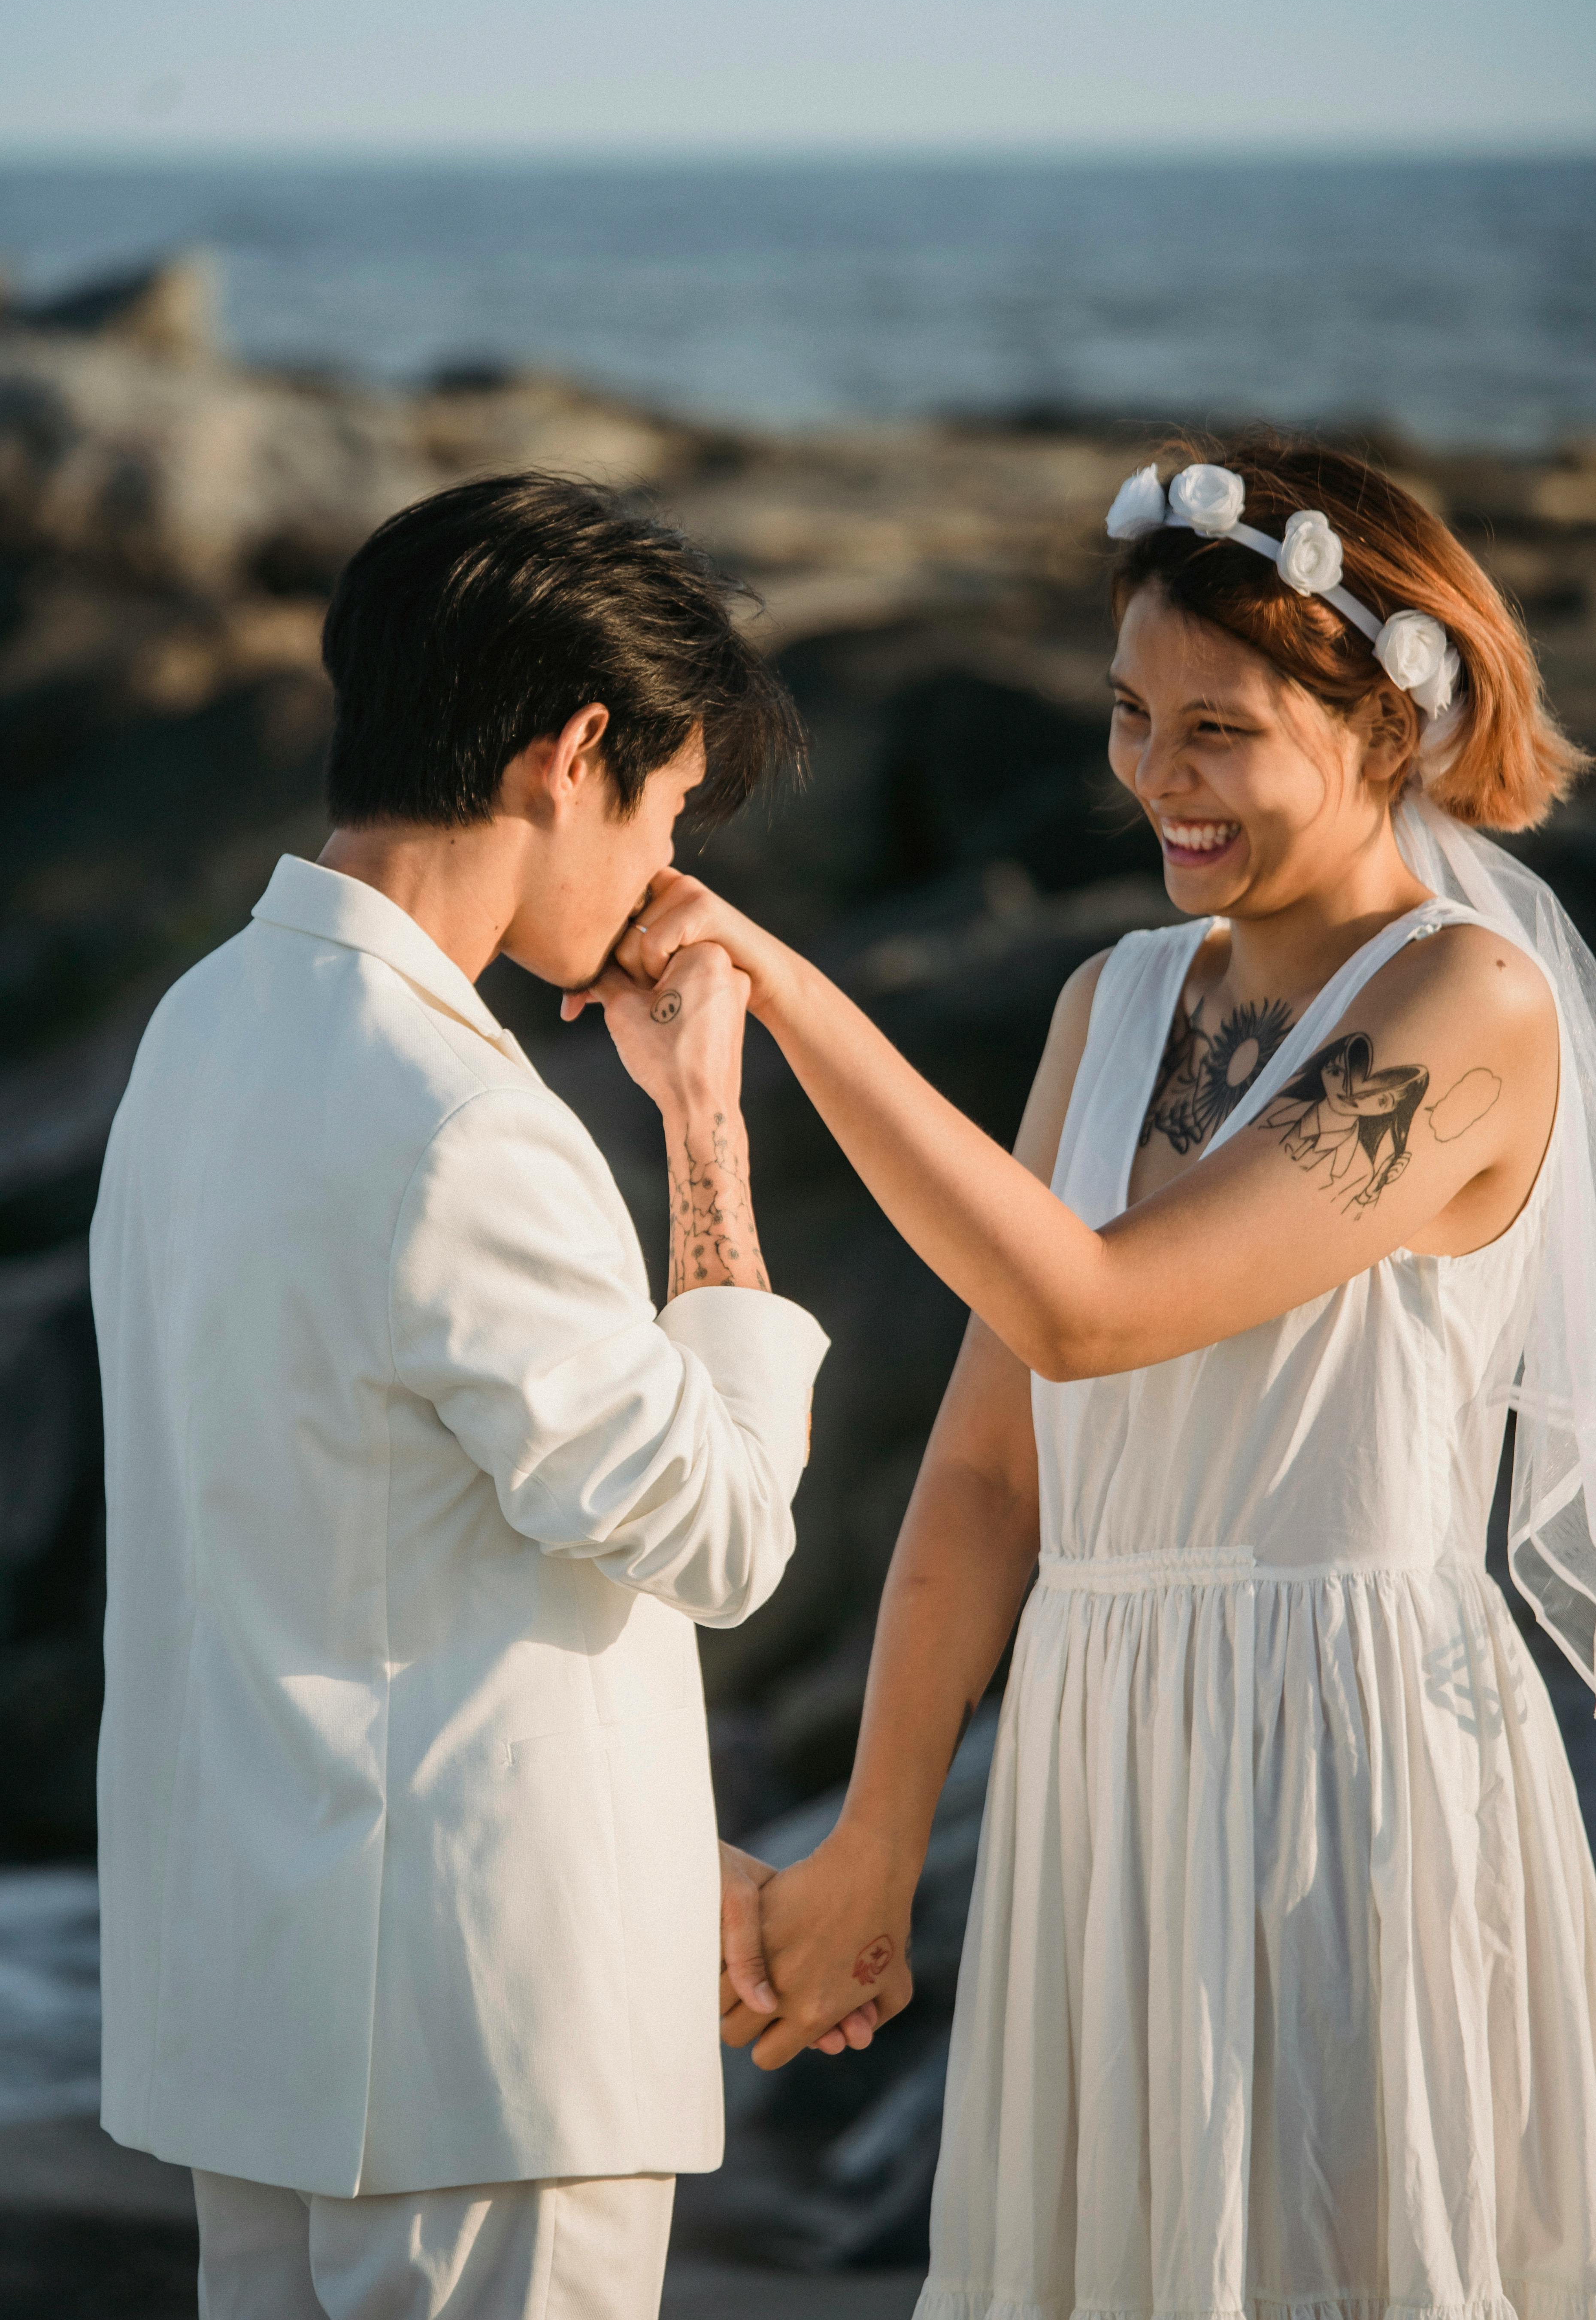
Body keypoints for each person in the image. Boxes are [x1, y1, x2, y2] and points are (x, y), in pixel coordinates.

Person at [618, 440, 1596, 2320]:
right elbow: (994, 1469)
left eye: (1217, 729)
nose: (1156, 777)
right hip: (1098, 1739)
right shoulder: (1110, 1004)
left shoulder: (1466, 1006)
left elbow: (1098, 1309)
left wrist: (783, 987)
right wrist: (873, 1856)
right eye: (1133, 717)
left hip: (1344, 1750)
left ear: (1386, 729)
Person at [89, 473, 852, 2320]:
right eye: (669, 805)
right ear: (569, 752)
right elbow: (723, 1531)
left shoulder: (200, 1031)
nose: (674, 875)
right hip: (481, 2055)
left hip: (255, 2013)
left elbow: (353, 1545)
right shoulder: (461, 1126)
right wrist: (704, 1128)